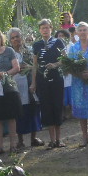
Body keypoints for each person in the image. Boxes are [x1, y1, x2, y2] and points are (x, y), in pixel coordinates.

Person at [32, 19, 67, 149]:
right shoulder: (37, 45)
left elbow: (65, 59)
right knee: (46, 108)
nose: (45, 30)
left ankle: (59, 139)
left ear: (51, 28)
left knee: (57, 106)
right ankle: (51, 140)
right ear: (40, 30)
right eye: (42, 28)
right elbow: (34, 65)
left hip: (57, 78)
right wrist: (33, 83)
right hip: (42, 80)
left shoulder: (58, 42)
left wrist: (55, 65)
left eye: (47, 27)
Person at [8, 27, 44, 149]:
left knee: (33, 110)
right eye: (12, 38)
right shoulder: (9, 53)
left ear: (21, 37)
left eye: (17, 36)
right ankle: (20, 140)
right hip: (15, 85)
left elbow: (36, 66)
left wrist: (28, 67)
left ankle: (33, 138)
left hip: (29, 83)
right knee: (19, 112)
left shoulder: (29, 51)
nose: (15, 39)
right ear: (9, 40)